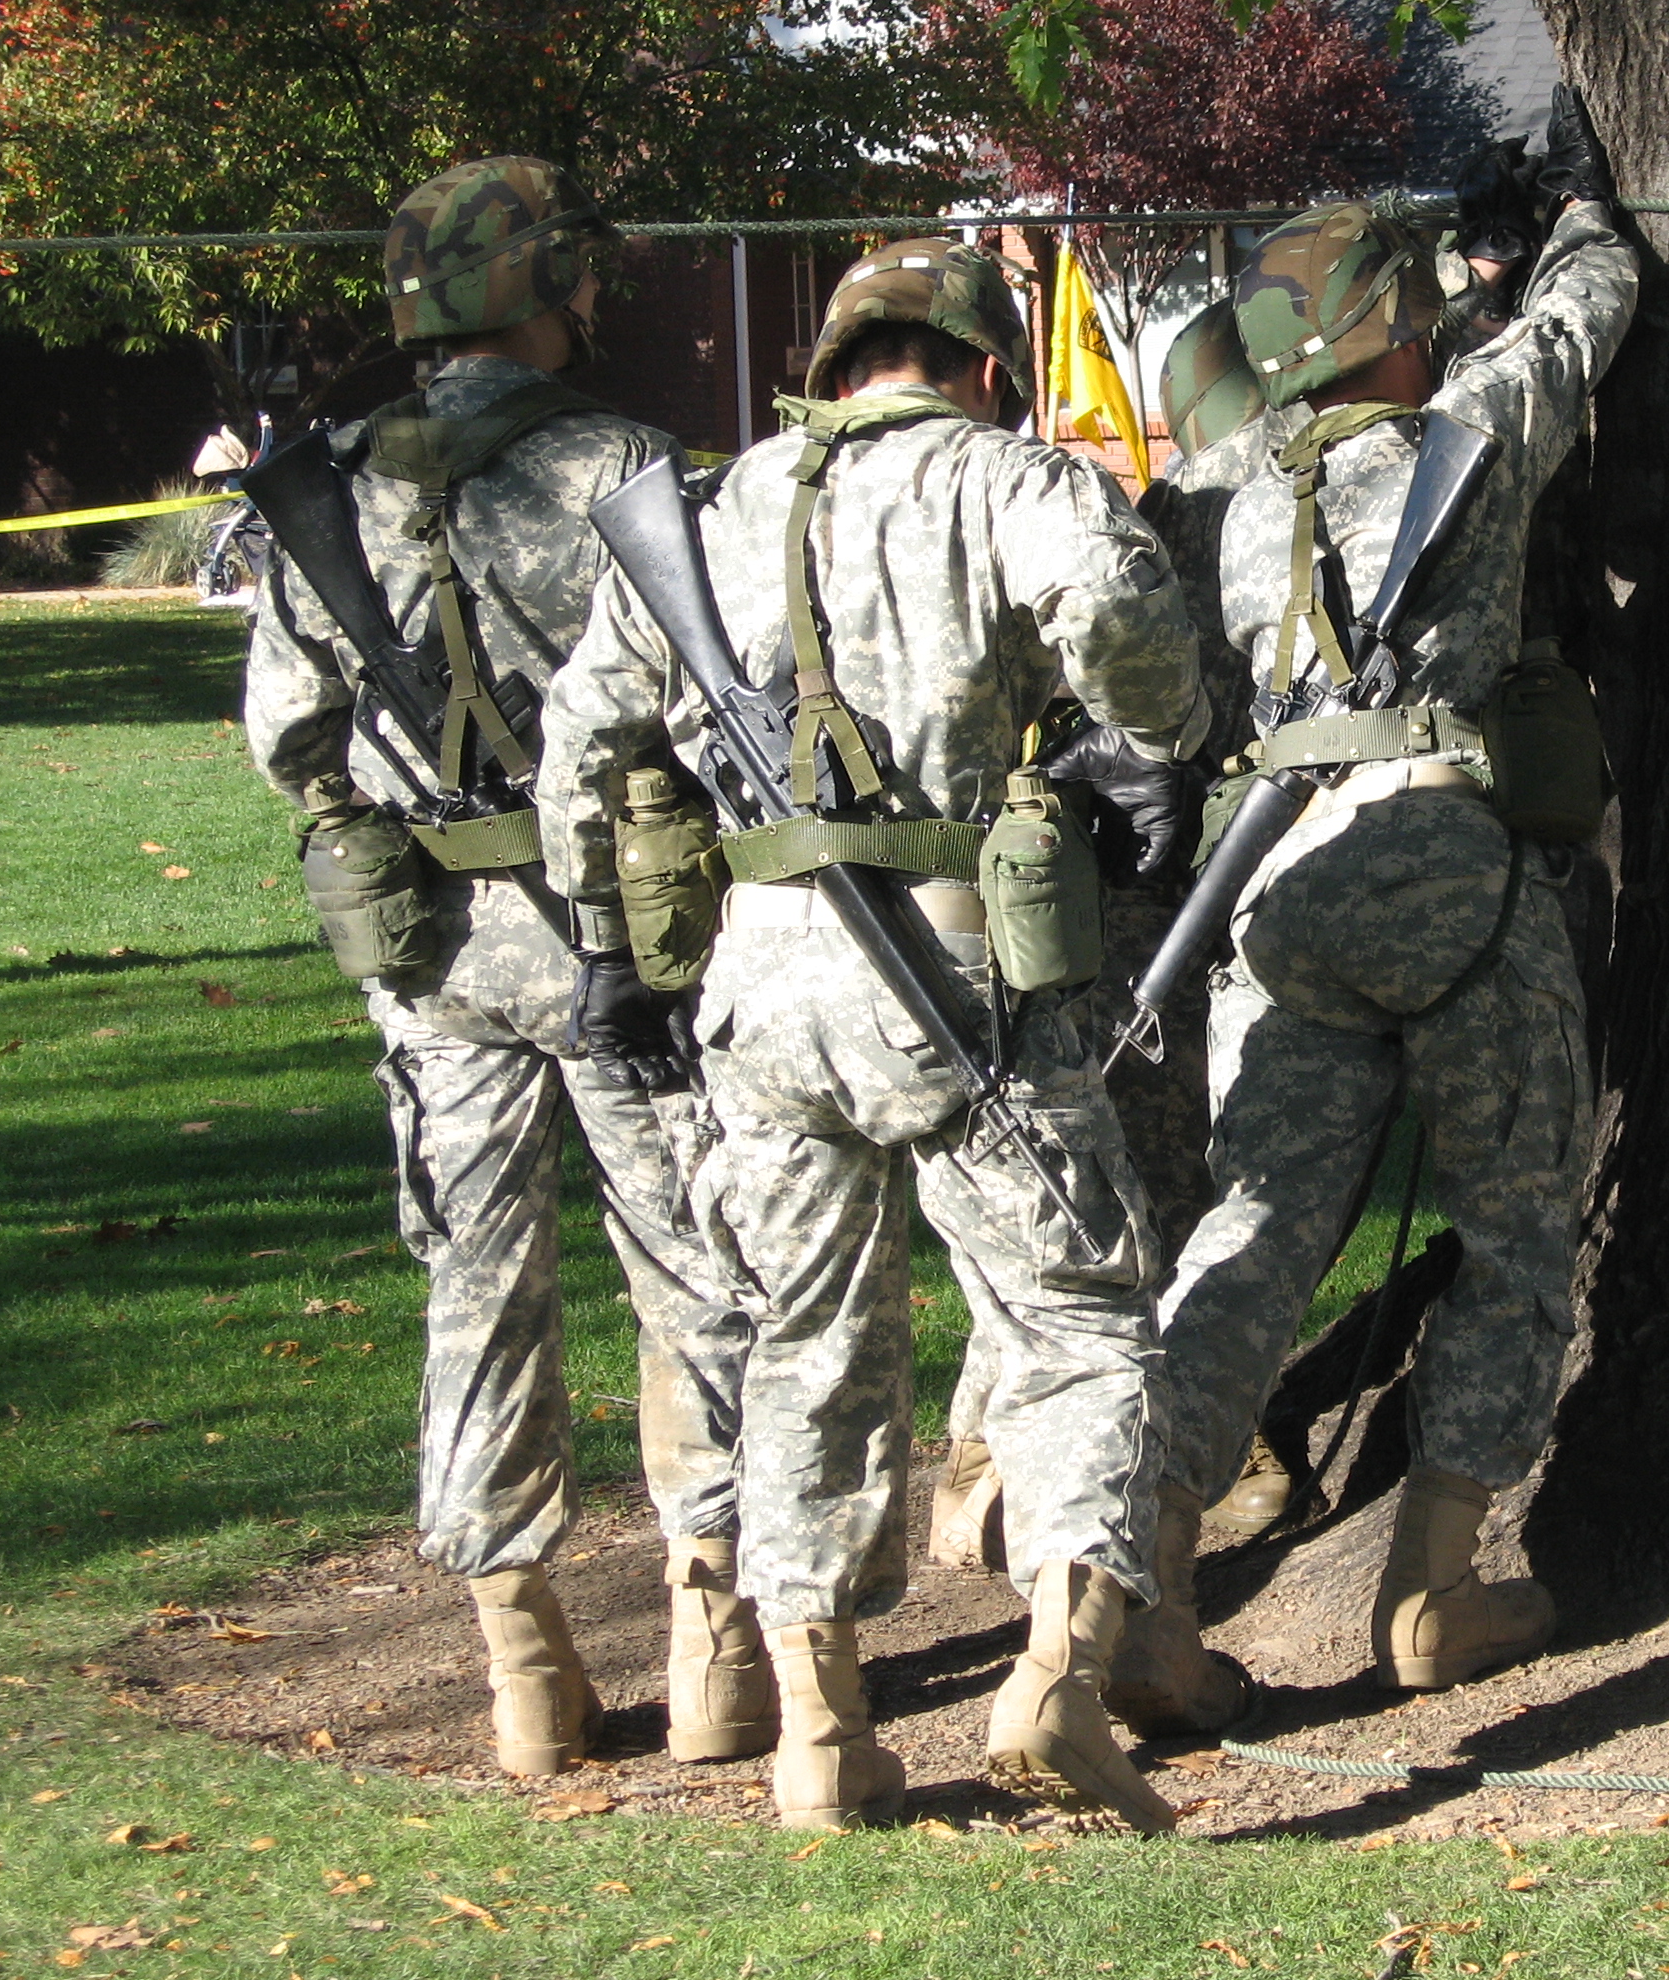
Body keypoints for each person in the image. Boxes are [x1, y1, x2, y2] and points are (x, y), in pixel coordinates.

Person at [537, 238, 1208, 1831]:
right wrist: (1157, 730)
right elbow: (1123, 616)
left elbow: (584, 743)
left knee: (807, 1348)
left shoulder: (710, 510)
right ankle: (1057, 1668)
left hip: (761, 994)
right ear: (981, 364)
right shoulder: (1011, 479)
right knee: (1076, 1322)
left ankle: (820, 1736)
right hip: (968, 978)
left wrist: (603, 949)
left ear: (836, 366)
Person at [1106, 88, 1637, 1737]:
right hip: (1449, 854)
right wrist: (1581, 217)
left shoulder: (1206, 488)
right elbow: (1587, 315)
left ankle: (1144, 1580)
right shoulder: (1473, 425)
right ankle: (1432, 1582)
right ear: (1410, 329)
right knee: (1514, 1226)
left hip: (1267, 884)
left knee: (1249, 1236)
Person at [243, 157, 760, 1779]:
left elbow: (284, 734)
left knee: (475, 1284)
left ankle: (525, 1673)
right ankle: (720, 1648)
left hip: (437, 956)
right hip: (628, 939)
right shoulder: (624, 466)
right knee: (694, 1272)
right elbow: (716, 701)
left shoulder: (324, 486)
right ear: (547, 293)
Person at [927, 294, 1294, 1575]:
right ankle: (1172, 1466)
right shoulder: (1263, 490)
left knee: (1058, 1186)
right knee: (1164, 1180)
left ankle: (981, 1446)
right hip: (1173, 877)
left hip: (1095, 877)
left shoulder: (1164, 505)